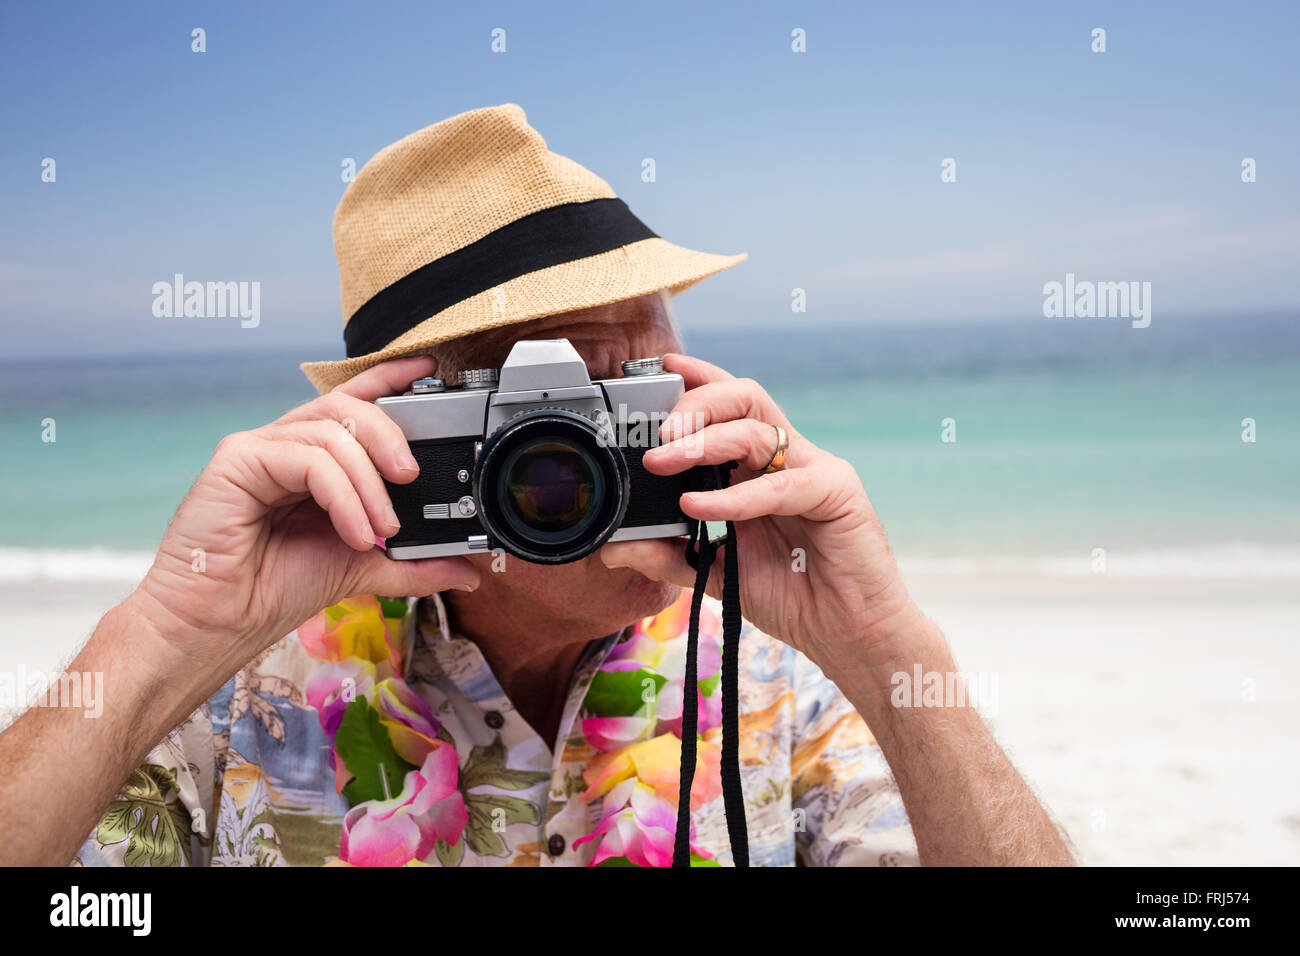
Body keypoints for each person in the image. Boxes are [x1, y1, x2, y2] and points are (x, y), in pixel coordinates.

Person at [0, 104, 1074, 867]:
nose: (604, 464)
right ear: (407, 435)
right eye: (545, 430)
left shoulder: (776, 683)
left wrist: (889, 651)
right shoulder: (236, 701)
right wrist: (159, 633)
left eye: (639, 392)